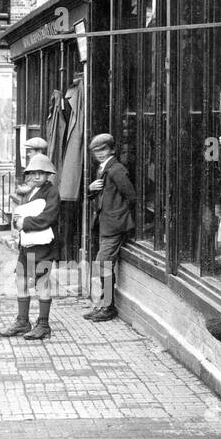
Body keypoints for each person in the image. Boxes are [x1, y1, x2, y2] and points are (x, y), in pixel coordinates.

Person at [0, 153, 60, 341]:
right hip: (27, 244)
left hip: (43, 245)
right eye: (33, 173)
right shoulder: (31, 191)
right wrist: (18, 221)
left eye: (41, 173)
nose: (36, 177)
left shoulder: (52, 192)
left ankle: (43, 325)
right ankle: (23, 321)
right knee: (22, 281)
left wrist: (24, 223)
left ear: (48, 174)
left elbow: (48, 217)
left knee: (42, 282)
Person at [85, 132, 136, 322]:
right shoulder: (103, 168)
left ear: (112, 149)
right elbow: (101, 195)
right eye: (96, 151)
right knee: (103, 264)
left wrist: (119, 216)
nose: (99, 154)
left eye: (103, 149)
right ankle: (103, 304)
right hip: (105, 224)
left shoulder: (116, 169)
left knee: (103, 263)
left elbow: (132, 197)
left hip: (113, 226)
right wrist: (90, 190)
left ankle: (108, 306)